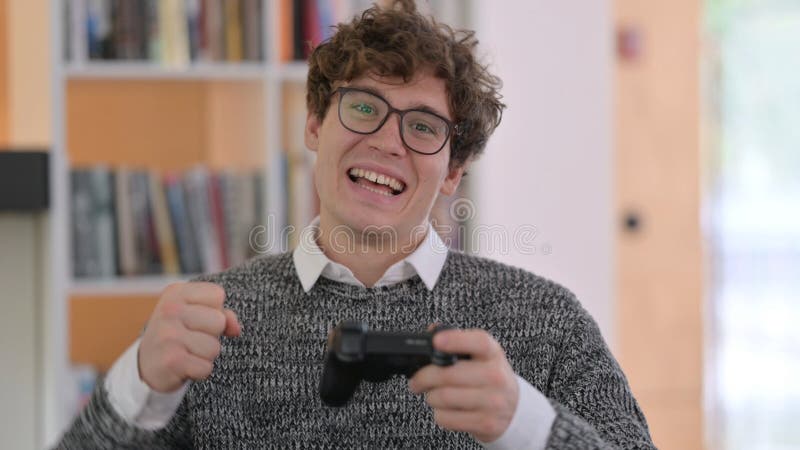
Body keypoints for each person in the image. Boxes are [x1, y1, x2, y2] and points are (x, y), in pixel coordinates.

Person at [57, 1, 655, 448]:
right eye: (364, 107)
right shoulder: (202, 326)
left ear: (453, 172)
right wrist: (135, 387)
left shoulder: (545, 322)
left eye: (422, 126)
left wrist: (524, 423)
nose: (387, 142)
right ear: (315, 124)